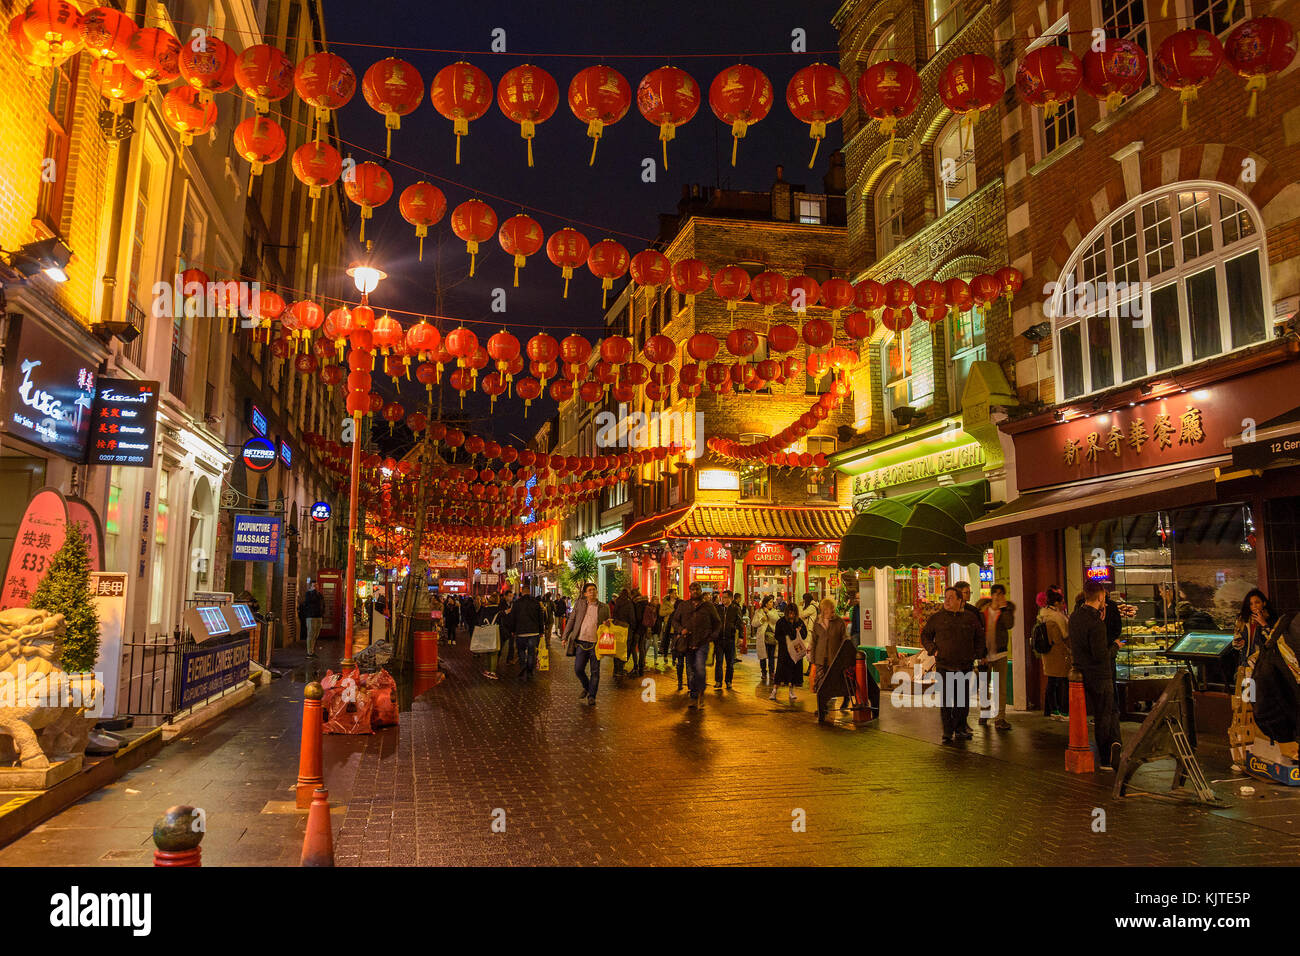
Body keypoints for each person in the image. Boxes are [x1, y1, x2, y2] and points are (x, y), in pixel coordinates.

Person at [920, 586, 986, 743]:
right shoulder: (937, 618)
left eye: (951, 597)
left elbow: (980, 638)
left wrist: (977, 654)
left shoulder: (970, 618)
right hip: (945, 665)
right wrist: (933, 650)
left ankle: (960, 728)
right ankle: (948, 731)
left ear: (959, 600)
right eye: (946, 597)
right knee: (946, 701)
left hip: (964, 666)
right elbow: (926, 636)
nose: (947, 600)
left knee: (962, 701)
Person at [1069, 580, 1122, 771]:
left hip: (1082, 672)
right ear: (1100, 597)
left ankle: (1113, 748)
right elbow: (1101, 656)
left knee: (1098, 715)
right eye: (1103, 599)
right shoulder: (1096, 623)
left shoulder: (1075, 617)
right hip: (1100, 676)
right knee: (1104, 715)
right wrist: (1115, 646)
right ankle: (1107, 758)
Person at [668, 581, 721, 708]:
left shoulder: (708, 606)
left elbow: (717, 623)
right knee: (690, 669)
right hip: (688, 642)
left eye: (697, 589)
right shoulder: (684, 606)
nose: (695, 592)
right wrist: (681, 630)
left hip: (702, 642)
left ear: (700, 591)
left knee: (700, 667)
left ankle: (701, 693)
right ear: (689, 591)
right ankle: (693, 693)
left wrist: (712, 636)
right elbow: (675, 620)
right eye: (692, 590)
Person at [975, 584, 1015, 731]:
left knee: (1001, 687)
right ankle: (985, 712)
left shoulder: (1007, 611)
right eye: (996, 593)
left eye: (1001, 594)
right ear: (991, 595)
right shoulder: (982, 612)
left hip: (1000, 654)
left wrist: (1004, 609)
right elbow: (977, 633)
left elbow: (1009, 625)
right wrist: (980, 653)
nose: (998, 596)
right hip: (984, 655)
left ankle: (1000, 717)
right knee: (984, 686)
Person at [562, 582, 608, 705]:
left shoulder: (604, 607)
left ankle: (592, 696)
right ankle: (587, 686)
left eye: (594, 590)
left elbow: (607, 625)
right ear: (585, 594)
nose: (592, 592)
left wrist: (607, 624)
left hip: (596, 644)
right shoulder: (579, 605)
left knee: (595, 671)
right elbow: (572, 620)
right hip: (581, 642)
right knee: (578, 669)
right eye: (590, 590)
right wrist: (565, 636)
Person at [810, 596, 851, 721]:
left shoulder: (839, 622)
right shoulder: (817, 623)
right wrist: (813, 659)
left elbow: (845, 639)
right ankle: (821, 706)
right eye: (830, 610)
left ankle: (844, 698)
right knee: (821, 684)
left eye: (833, 610)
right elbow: (814, 642)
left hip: (835, 658)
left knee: (835, 682)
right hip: (820, 658)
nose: (833, 612)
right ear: (824, 610)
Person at [1038, 586, 1071, 719]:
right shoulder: (1057, 616)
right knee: (1063, 680)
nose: (1063, 605)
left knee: (1051, 681)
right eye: (1062, 602)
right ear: (1056, 603)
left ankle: (1051, 710)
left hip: (1047, 651)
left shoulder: (1043, 614)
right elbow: (1065, 634)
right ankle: (1063, 710)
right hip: (1058, 651)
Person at [770, 603, 806, 703]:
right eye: (790, 613)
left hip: (796, 652)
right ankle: (774, 690)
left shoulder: (799, 622)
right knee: (780, 671)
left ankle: (791, 690)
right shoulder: (781, 622)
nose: (791, 615)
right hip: (784, 651)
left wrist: (799, 631)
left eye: (793, 613)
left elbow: (804, 634)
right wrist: (785, 640)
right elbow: (777, 635)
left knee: (794, 672)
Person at [1232, 588, 1274, 666]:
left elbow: (1274, 641)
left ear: (1264, 603)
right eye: (1251, 604)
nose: (1254, 606)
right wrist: (1239, 643)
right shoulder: (1242, 619)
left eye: (1257, 602)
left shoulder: (1271, 618)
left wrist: (1263, 623)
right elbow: (1236, 639)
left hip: (1264, 662)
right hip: (1246, 661)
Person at [510, 588, 545, 681]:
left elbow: (513, 618)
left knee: (521, 651)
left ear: (522, 592)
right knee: (531, 652)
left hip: (521, 632)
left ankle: (523, 667)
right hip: (534, 631)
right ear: (529, 592)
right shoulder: (536, 603)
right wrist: (541, 631)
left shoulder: (517, 603)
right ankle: (530, 671)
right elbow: (540, 618)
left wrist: (513, 630)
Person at [715, 590, 744, 691]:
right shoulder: (718, 608)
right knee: (718, 661)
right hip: (719, 639)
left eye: (725, 597)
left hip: (730, 639)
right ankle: (718, 681)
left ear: (730, 598)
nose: (723, 599)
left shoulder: (735, 609)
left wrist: (741, 637)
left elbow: (740, 623)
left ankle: (728, 681)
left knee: (730, 662)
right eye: (722, 597)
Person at [474, 594, 504, 680]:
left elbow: (480, 621)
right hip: (495, 631)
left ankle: (487, 669)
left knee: (487, 651)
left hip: (486, 631)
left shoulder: (485, 609)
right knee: (494, 652)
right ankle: (492, 672)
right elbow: (502, 622)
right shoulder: (499, 610)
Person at [752, 595, 779, 684]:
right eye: (770, 602)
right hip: (762, 637)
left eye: (772, 602)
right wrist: (761, 620)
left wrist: (768, 613)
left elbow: (777, 620)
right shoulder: (758, 611)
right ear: (766, 603)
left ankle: (772, 672)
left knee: (771, 656)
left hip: (772, 637)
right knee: (762, 656)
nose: (772, 603)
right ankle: (763, 671)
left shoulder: (774, 611)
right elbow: (754, 624)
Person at [610, 586, 636, 680]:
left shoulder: (617, 603)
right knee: (625, 649)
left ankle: (616, 669)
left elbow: (614, 615)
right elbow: (632, 617)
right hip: (626, 628)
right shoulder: (629, 604)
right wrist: (633, 627)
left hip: (617, 628)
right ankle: (620, 669)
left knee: (617, 649)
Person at [299, 579, 324, 656]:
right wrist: (313, 591)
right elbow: (310, 601)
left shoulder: (319, 594)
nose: (316, 587)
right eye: (314, 585)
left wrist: (323, 612)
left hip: (319, 616)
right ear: (311, 587)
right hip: (311, 616)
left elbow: (323, 604)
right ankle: (310, 652)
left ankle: (312, 650)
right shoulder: (308, 594)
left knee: (316, 634)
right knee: (311, 634)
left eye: (317, 585)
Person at [629, 587, 649, 677]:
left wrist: (634, 626)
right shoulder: (645, 602)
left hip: (637, 628)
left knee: (633, 647)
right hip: (644, 628)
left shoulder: (636, 603)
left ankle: (636, 666)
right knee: (641, 648)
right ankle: (641, 668)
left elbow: (637, 617)